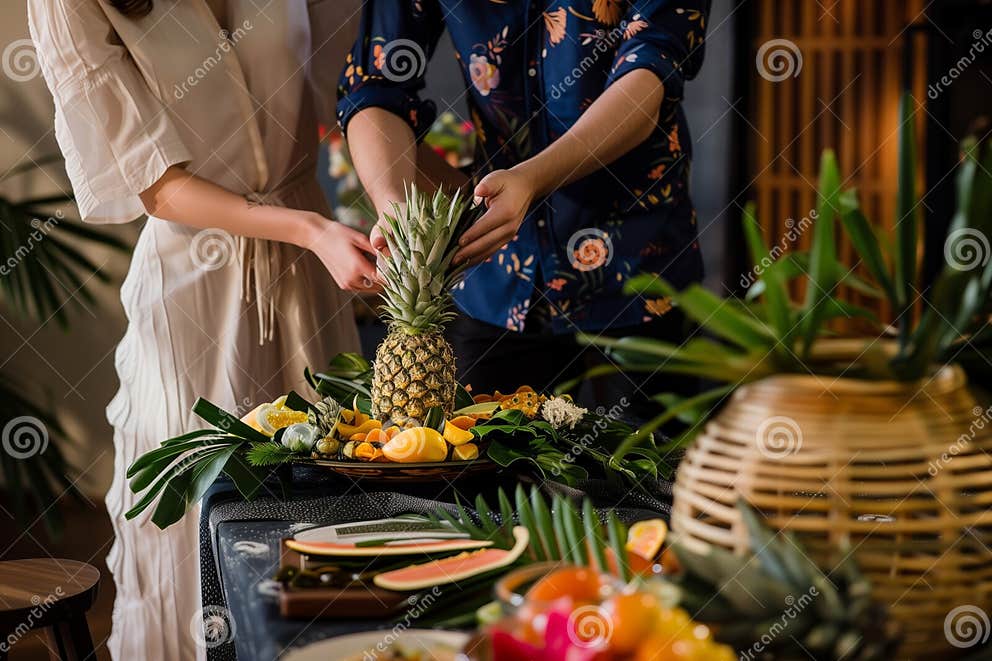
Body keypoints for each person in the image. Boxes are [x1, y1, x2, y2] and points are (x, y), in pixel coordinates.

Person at [27, 1, 369, 658]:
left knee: (331, 506)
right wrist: (309, 229)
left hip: (311, 274)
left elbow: (360, 83)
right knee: (194, 530)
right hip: (195, 282)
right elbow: (156, 184)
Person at [338, 0, 711, 413]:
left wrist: (531, 180)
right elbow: (374, 86)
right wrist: (394, 205)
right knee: (476, 465)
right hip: (496, 274)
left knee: (652, 468)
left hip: (641, 261)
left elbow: (649, 69)